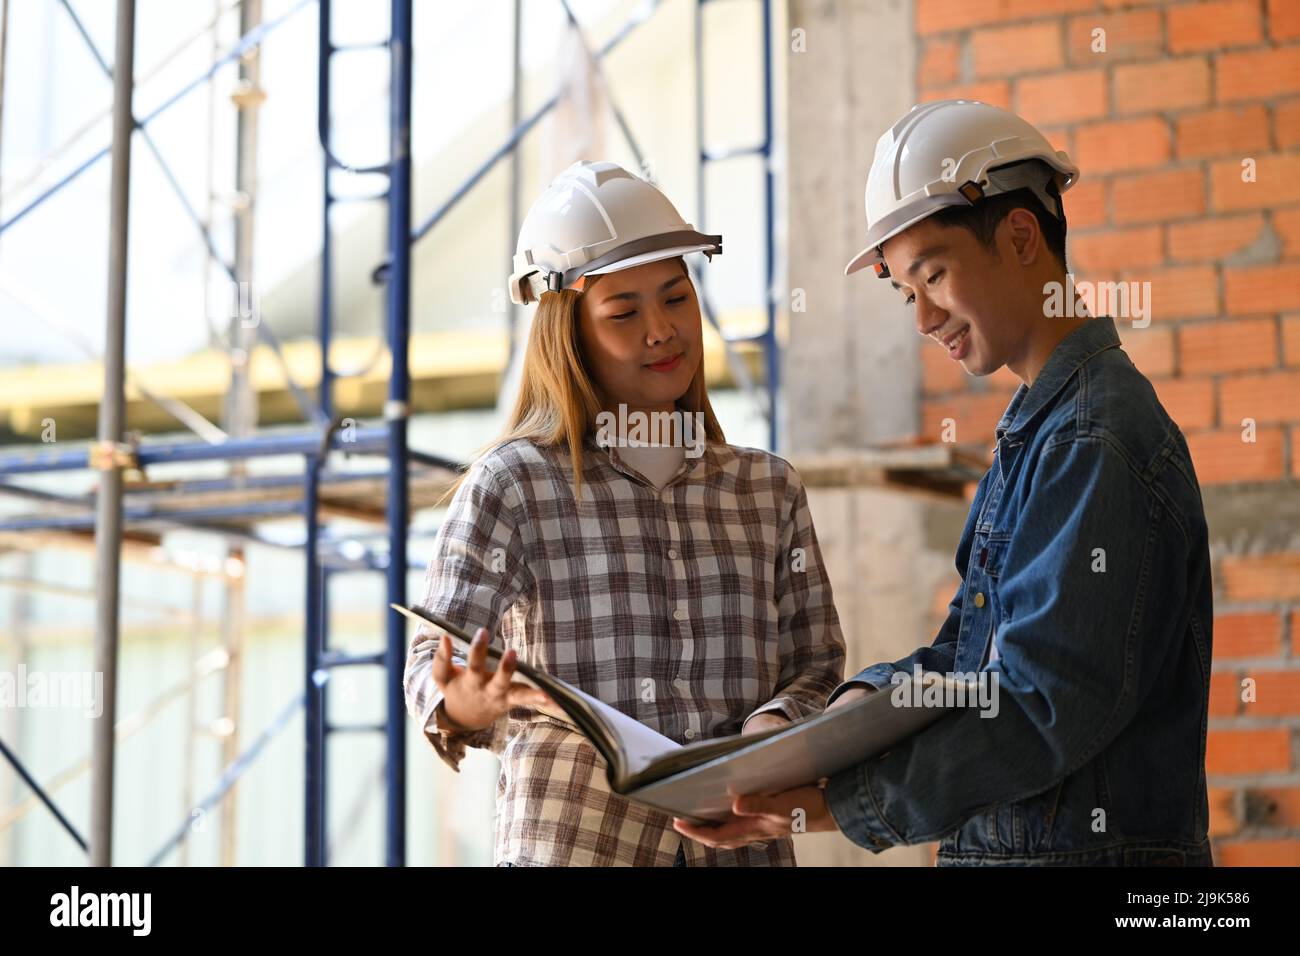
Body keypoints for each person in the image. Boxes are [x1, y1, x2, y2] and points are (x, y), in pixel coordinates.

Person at [674, 99, 1214, 867]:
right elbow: (970, 659)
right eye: (904, 292)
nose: (923, 317)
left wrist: (835, 804)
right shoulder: (1040, 433)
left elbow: (1039, 706)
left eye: (933, 273)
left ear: (1021, 237)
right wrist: (860, 705)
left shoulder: (1093, 440)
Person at [403, 159, 846, 867]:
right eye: (624, 312)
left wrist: (769, 731)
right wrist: (468, 702)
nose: (661, 331)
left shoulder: (767, 489)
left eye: (675, 298)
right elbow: (433, 666)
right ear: (569, 334)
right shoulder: (514, 485)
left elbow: (816, 663)